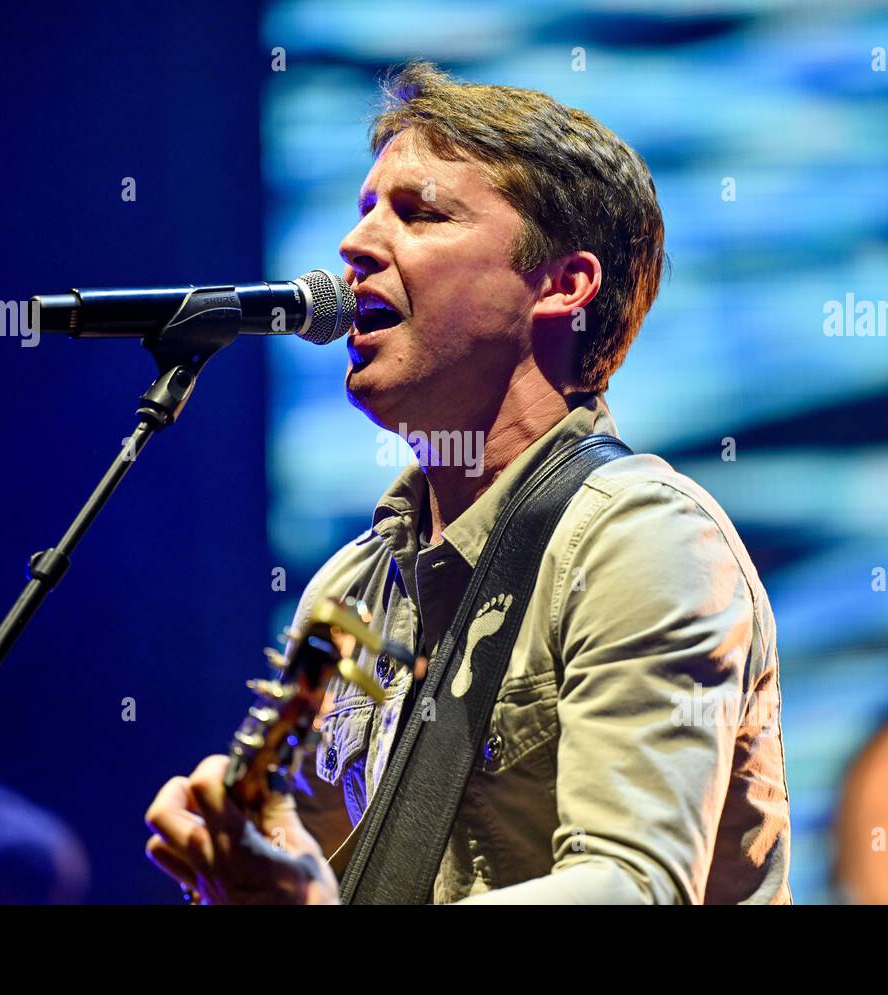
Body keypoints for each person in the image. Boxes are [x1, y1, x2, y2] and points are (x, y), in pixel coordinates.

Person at [144, 60, 792, 904]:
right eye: (366, 209)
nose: (354, 245)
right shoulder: (349, 592)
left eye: (418, 212)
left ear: (564, 285)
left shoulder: (642, 537)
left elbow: (632, 887)